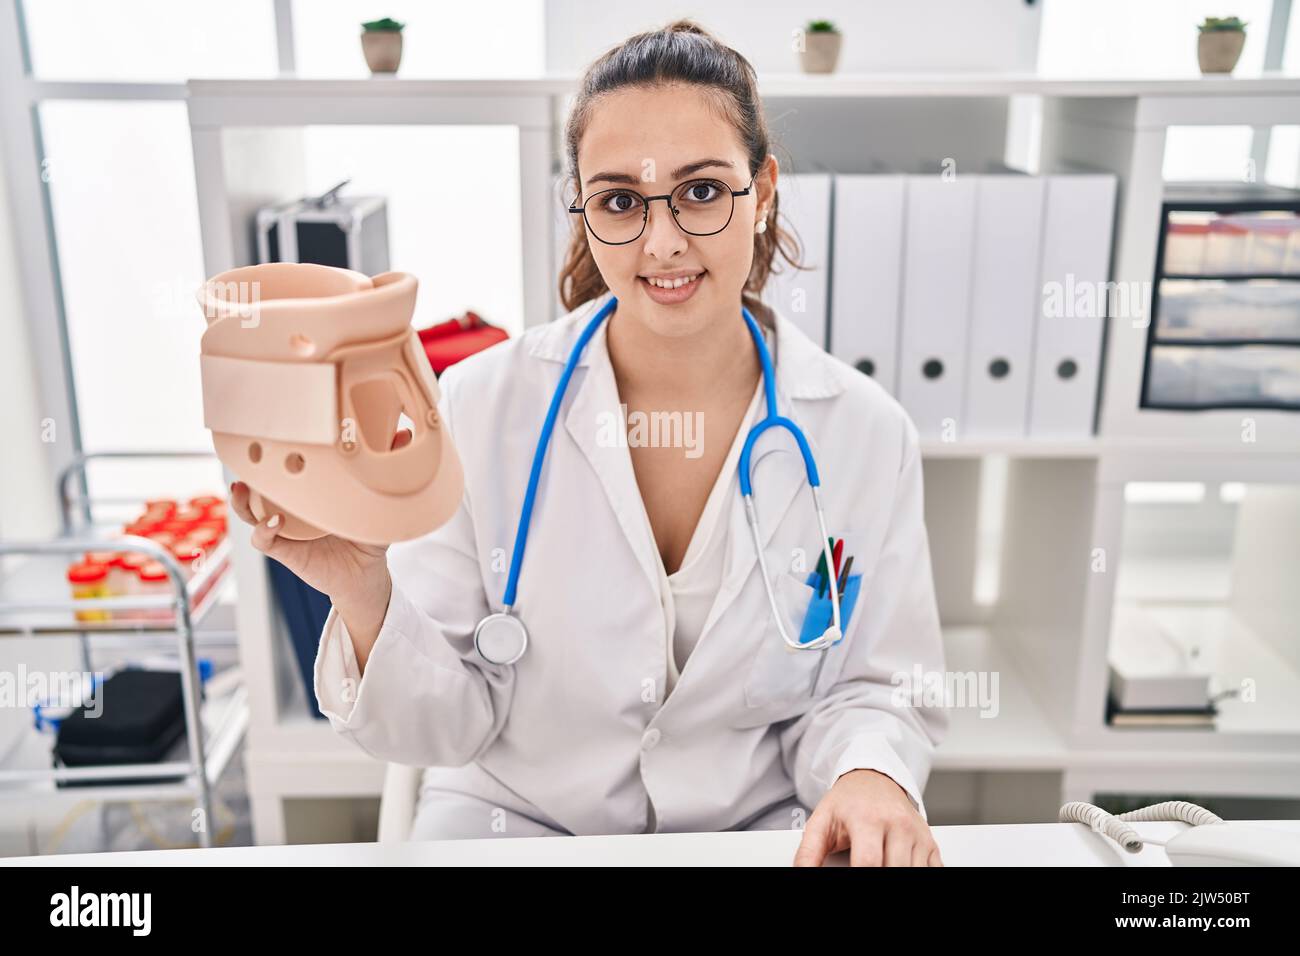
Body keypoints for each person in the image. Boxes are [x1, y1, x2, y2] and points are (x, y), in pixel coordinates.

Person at [230, 19, 948, 867]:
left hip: (751, 832)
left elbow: (875, 686)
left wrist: (871, 772)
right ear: (585, 209)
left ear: (764, 194)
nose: (664, 242)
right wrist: (364, 596)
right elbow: (445, 721)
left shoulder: (863, 433)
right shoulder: (483, 405)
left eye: (704, 191)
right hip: (516, 827)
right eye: (619, 201)